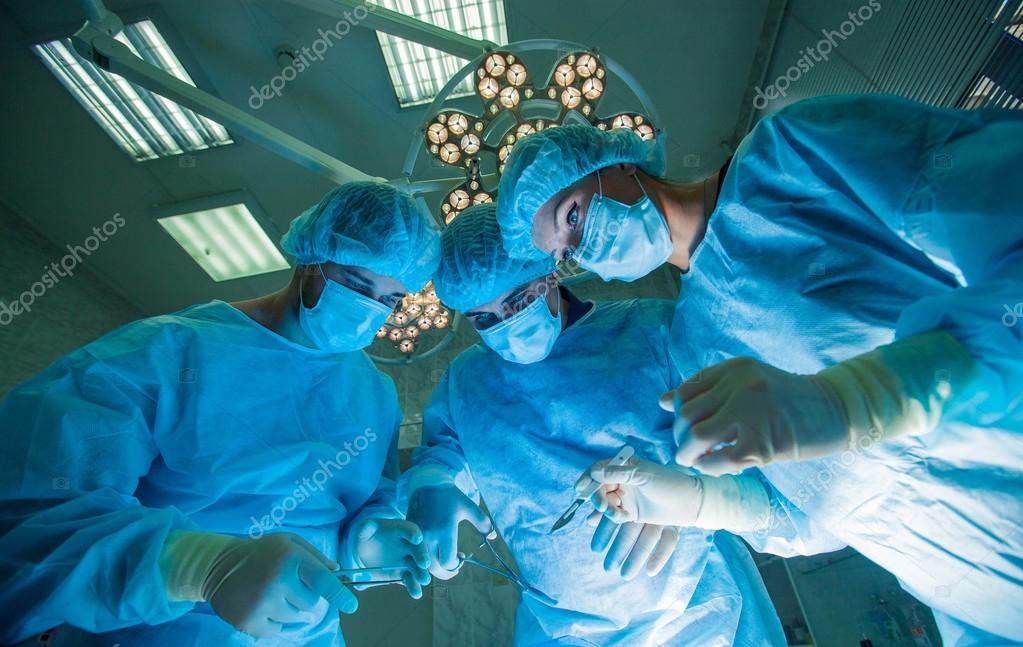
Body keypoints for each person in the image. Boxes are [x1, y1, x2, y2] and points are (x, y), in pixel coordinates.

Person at [495, 95, 1023, 643]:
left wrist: (855, 400)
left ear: (617, 162)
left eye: (573, 217)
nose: (584, 250)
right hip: (974, 588)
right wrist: (701, 502)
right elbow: (809, 520)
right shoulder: (690, 346)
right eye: (566, 255)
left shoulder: (788, 159)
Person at [0, 182, 437, 646]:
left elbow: (369, 502)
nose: (371, 309)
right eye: (357, 284)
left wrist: (365, 542)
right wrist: (201, 566)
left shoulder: (374, 394)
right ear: (311, 258)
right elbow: (31, 522)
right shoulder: (167, 353)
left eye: (390, 300)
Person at [402, 203, 786, 646]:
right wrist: (432, 484)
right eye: (483, 318)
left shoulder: (650, 328)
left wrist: (689, 495)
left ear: (551, 271)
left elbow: (748, 450)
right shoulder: (465, 382)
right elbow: (440, 453)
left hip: (696, 612)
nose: (505, 323)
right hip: (564, 630)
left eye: (517, 299)